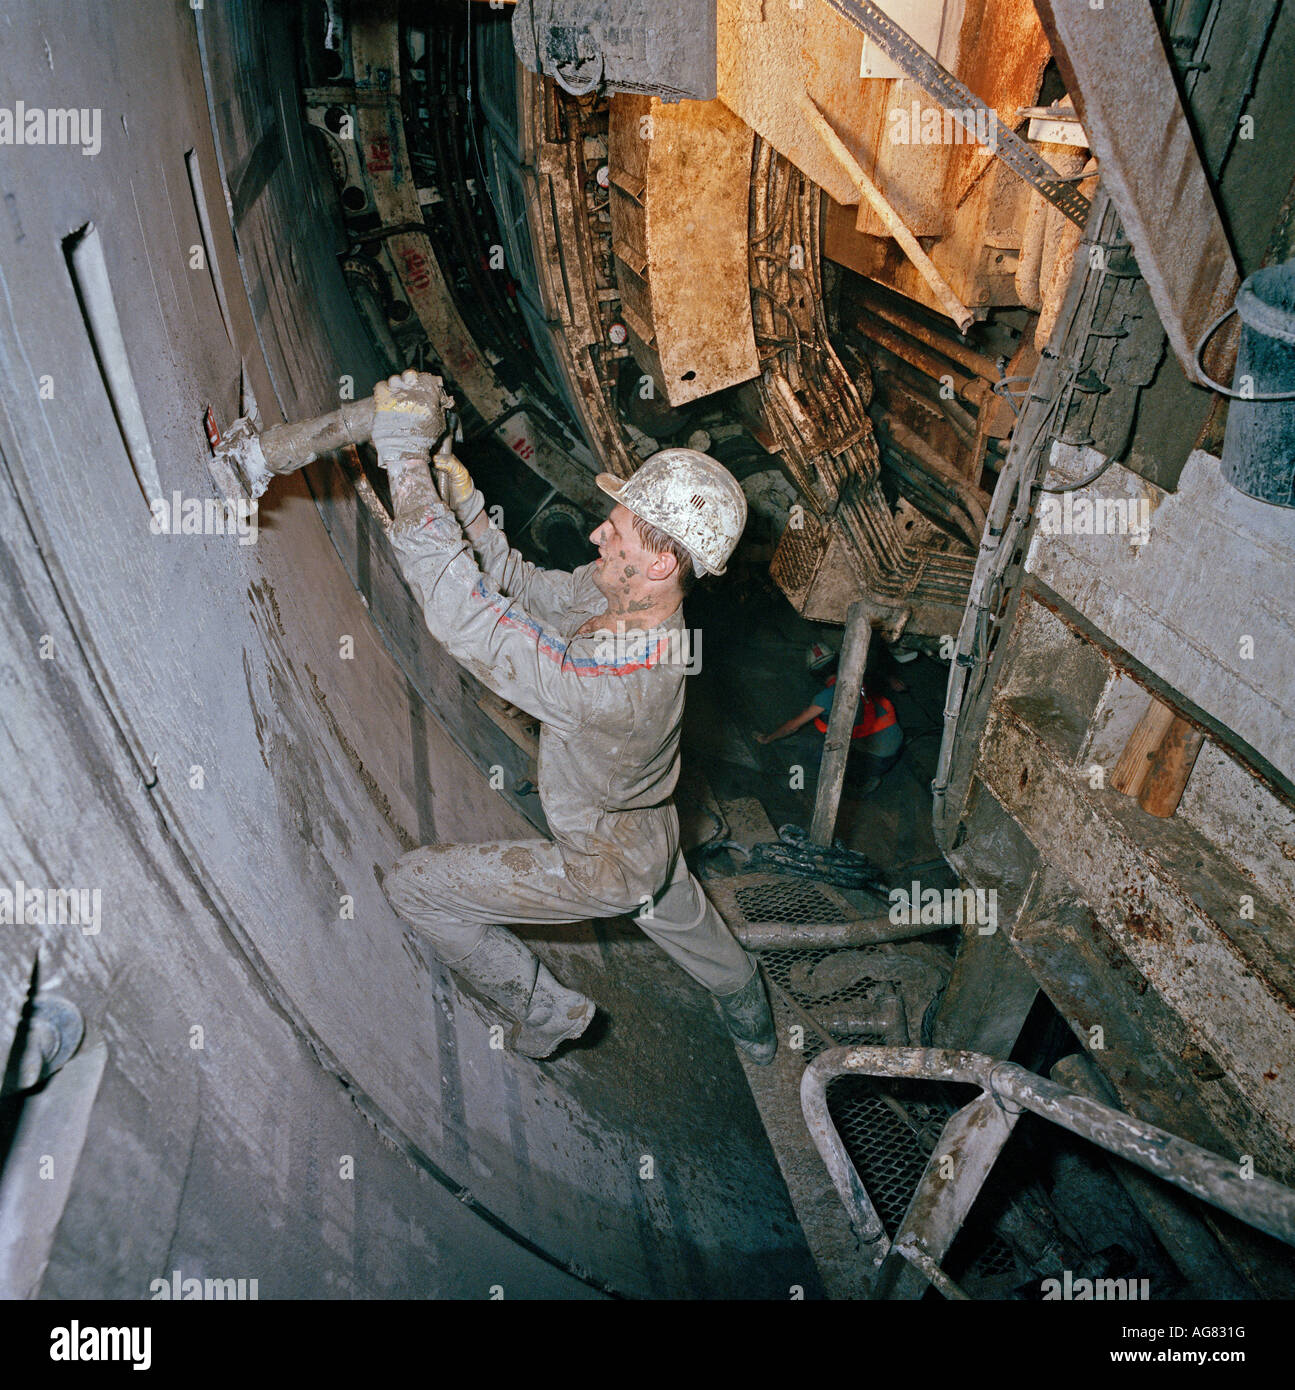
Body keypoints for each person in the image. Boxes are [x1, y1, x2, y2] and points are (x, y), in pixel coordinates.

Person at [371, 370, 776, 1063]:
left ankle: (545, 1010)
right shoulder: (629, 598)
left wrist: (406, 464)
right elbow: (522, 590)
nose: (595, 534)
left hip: (599, 860)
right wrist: (464, 503)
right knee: (689, 923)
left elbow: (472, 622)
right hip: (649, 830)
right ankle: (756, 1022)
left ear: (658, 560)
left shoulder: (619, 681)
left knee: (416, 889)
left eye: (612, 531)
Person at [755, 641, 904, 791]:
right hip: (897, 742)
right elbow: (878, 674)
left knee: (814, 753)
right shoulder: (858, 675)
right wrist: (892, 680)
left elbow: (792, 727)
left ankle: (863, 781)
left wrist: (768, 738)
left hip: (876, 761)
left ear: (814, 673)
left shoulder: (824, 697)